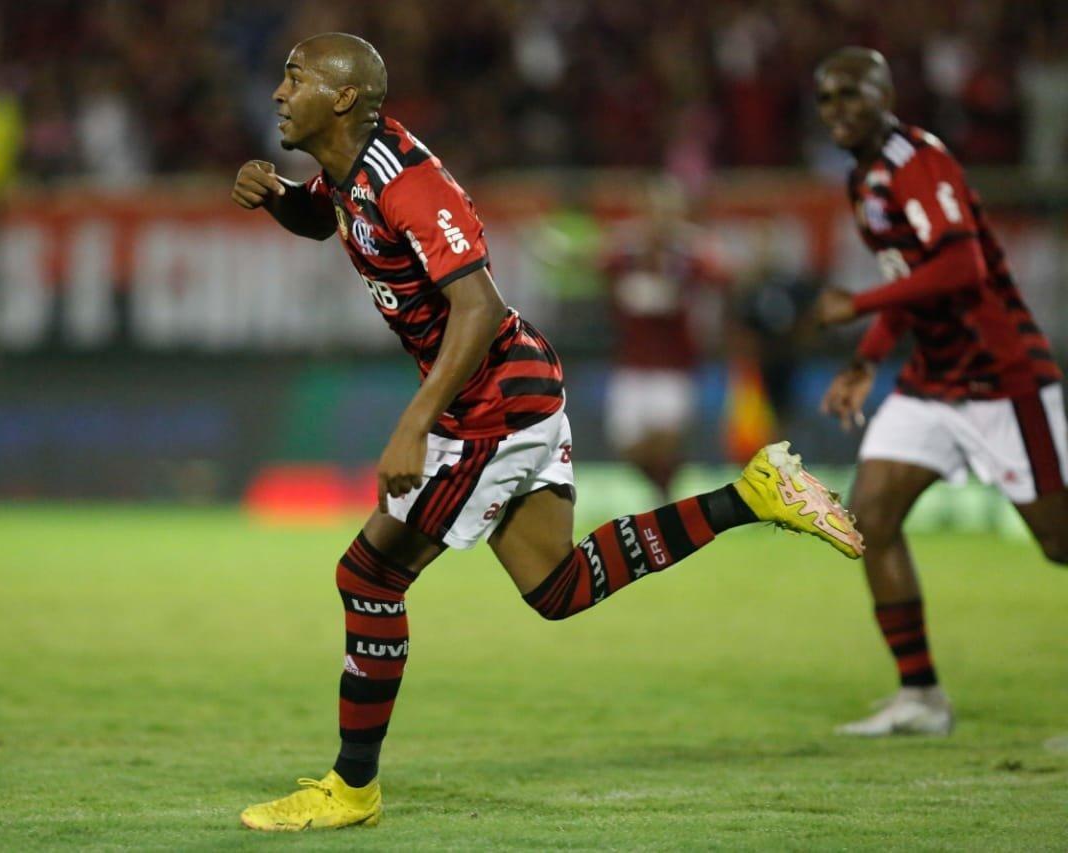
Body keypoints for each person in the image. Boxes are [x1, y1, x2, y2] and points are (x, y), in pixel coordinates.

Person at [231, 33, 863, 832]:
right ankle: (753, 494)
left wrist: (414, 425)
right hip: (514, 389)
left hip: (488, 405)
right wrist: (286, 200)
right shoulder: (350, 167)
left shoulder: (407, 183)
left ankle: (352, 787)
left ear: (345, 97)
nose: (280, 91)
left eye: (295, 76)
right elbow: (332, 221)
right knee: (557, 587)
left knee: (368, 577)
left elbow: (479, 306)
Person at [813, 47, 1068, 737]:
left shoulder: (917, 161)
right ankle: (921, 695)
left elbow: (961, 265)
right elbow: (913, 278)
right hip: (933, 377)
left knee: (1058, 540)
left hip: (1001, 375)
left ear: (886, 94)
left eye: (852, 94)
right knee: (872, 513)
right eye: (827, 99)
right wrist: (868, 358)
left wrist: (858, 302)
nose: (839, 109)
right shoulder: (863, 176)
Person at [600, 184, 729, 502]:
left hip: (674, 366)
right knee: (628, 447)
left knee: (665, 440)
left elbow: (723, 279)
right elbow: (598, 269)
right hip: (632, 364)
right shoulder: (626, 254)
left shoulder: (690, 256)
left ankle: (665, 498)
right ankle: (664, 492)